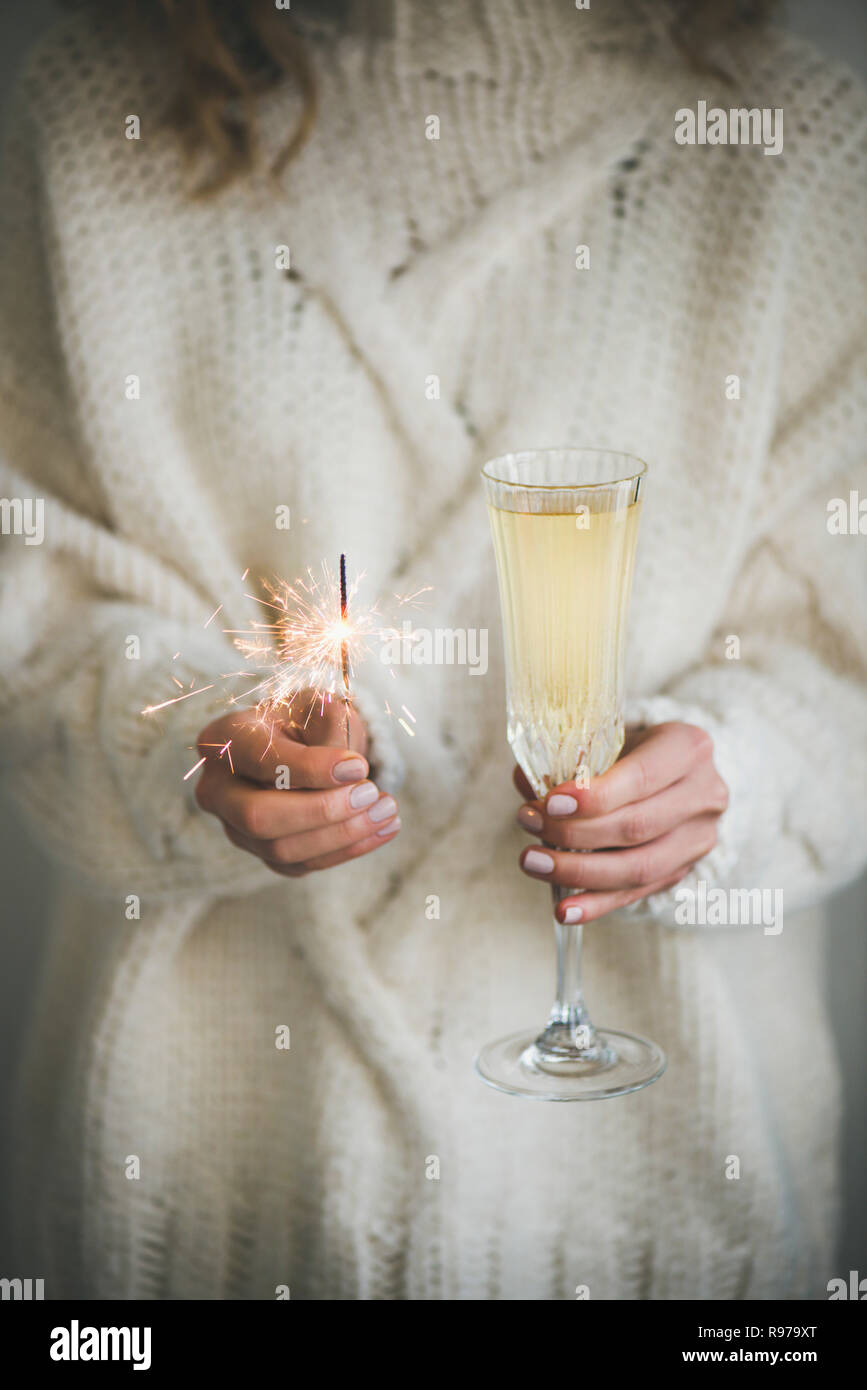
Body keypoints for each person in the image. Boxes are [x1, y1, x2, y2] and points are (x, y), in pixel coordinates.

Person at [0, 0, 864, 1300]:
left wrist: (727, 779)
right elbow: (33, 625)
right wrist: (188, 746)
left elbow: (844, 665)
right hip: (195, 1208)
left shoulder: (801, 145)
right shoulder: (82, 116)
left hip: (663, 1214)